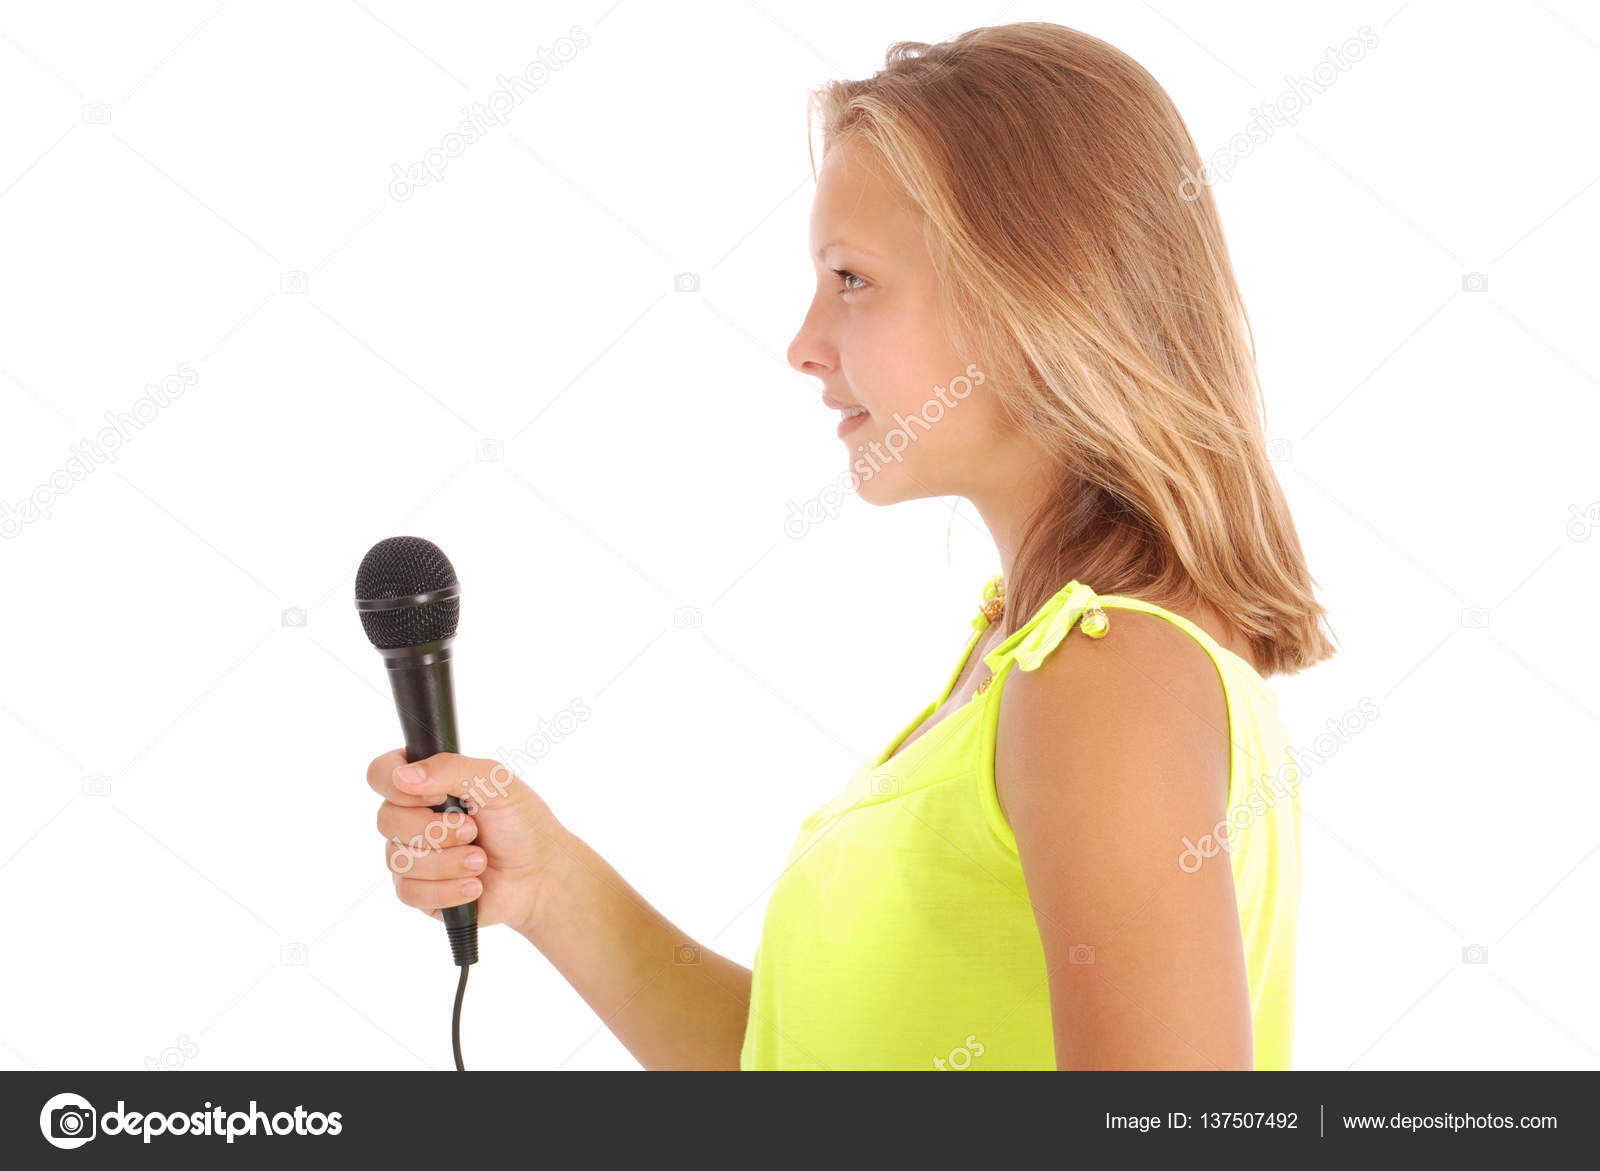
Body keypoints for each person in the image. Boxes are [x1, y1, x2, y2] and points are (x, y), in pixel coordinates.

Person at [370, 21, 1336, 1070]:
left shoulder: (1107, 677)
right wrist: (549, 883)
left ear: (1031, 299)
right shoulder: (1030, 661)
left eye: (852, 279)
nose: (803, 342)